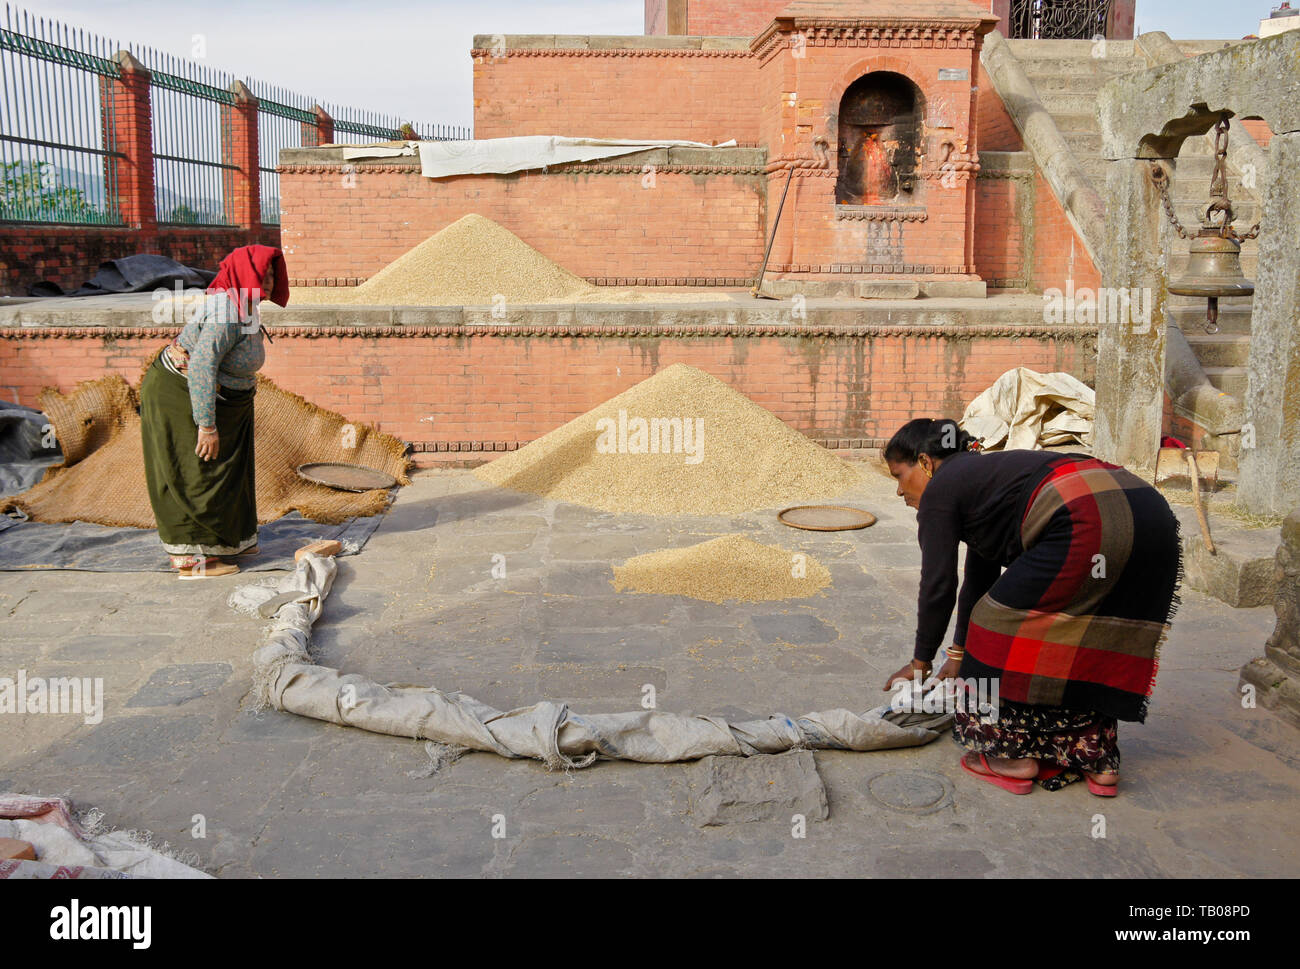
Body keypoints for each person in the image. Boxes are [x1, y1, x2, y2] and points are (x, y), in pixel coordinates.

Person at [881, 418, 1180, 796]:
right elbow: (979, 579)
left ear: (925, 462)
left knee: (992, 628)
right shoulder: (984, 478)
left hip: (1088, 517)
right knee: (1083, 631)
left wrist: (920, 662)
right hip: (1147, 513)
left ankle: (1010, 755)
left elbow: (938, 584)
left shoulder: (942, 488)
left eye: (898, 475)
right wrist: (955, 654)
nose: (897, 491)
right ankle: (1098, 758)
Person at [140, 245, 289, 579]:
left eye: (272, 276)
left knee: (231, 472)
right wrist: (206, 425)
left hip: (226, 399)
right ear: (244, 275)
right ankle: (194, 560)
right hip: (183, 394)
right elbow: (202, 367)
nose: (267, 283)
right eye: (261, 276)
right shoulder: (228, 311)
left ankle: (229, 541)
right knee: (199, 470)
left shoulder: (245, 304)